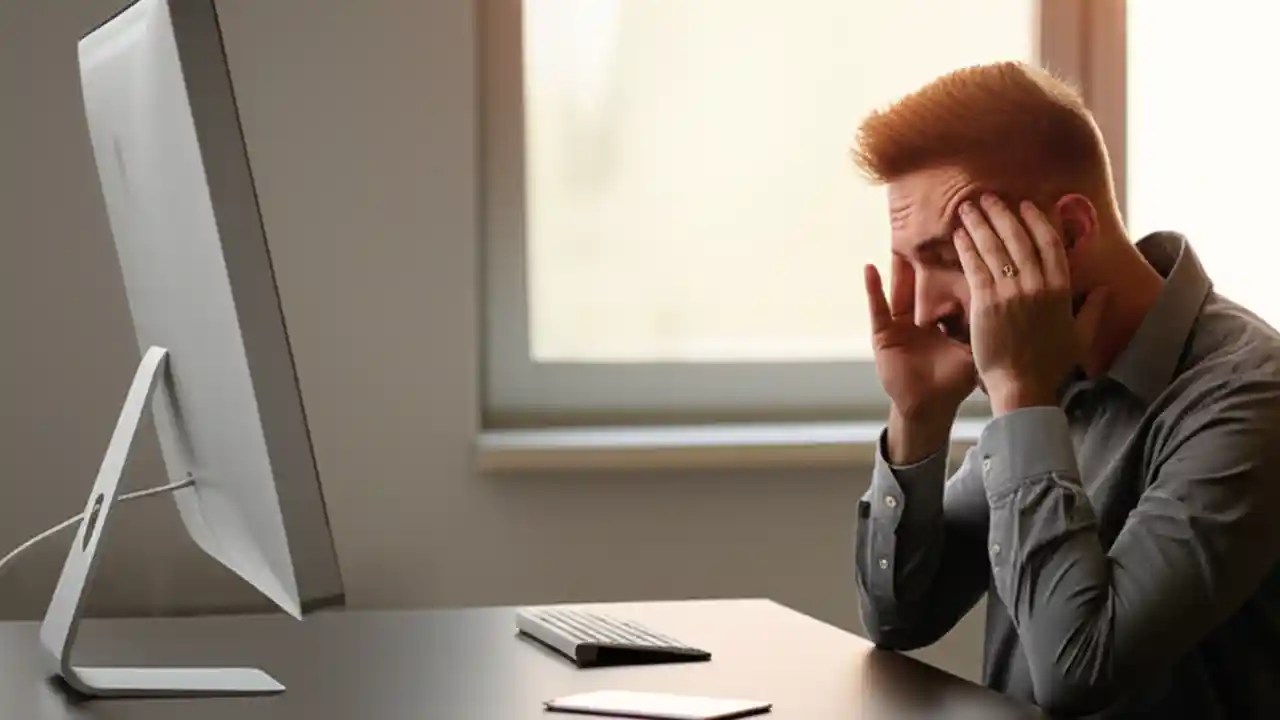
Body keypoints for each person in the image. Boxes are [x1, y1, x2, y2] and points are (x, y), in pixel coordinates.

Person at [851, 61, 1280, 718]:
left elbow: (1078, 673)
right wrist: (918, 416)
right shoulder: (1060, 368)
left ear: (1072, 232)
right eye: (908, 262)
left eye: (946, 258)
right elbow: (901, 617)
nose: (921, 307)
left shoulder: (1249, 394)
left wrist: (1021, 395)